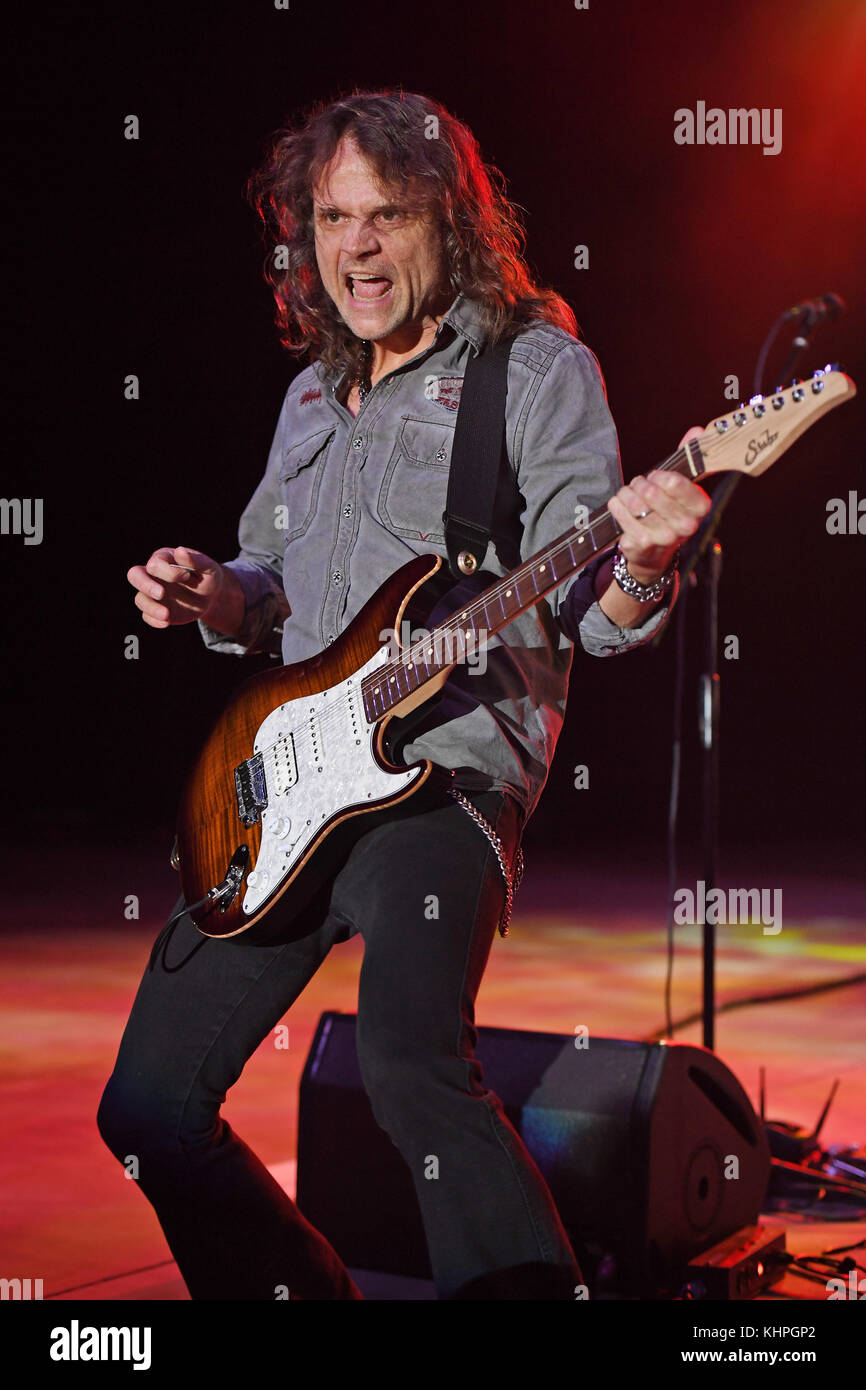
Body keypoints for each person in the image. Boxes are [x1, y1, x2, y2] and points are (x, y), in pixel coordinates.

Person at [98, 90, 710, 1300]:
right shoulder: (313, 396)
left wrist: (642, 555)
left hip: (450, 777)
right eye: (332, 216)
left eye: (388, 213)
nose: (356, 246)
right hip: (286, 780)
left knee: (408, 1064)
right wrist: (217, 591)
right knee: (147, 1108)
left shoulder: (533, 373)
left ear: (452, 221)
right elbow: (276, 588)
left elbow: (587, 608)